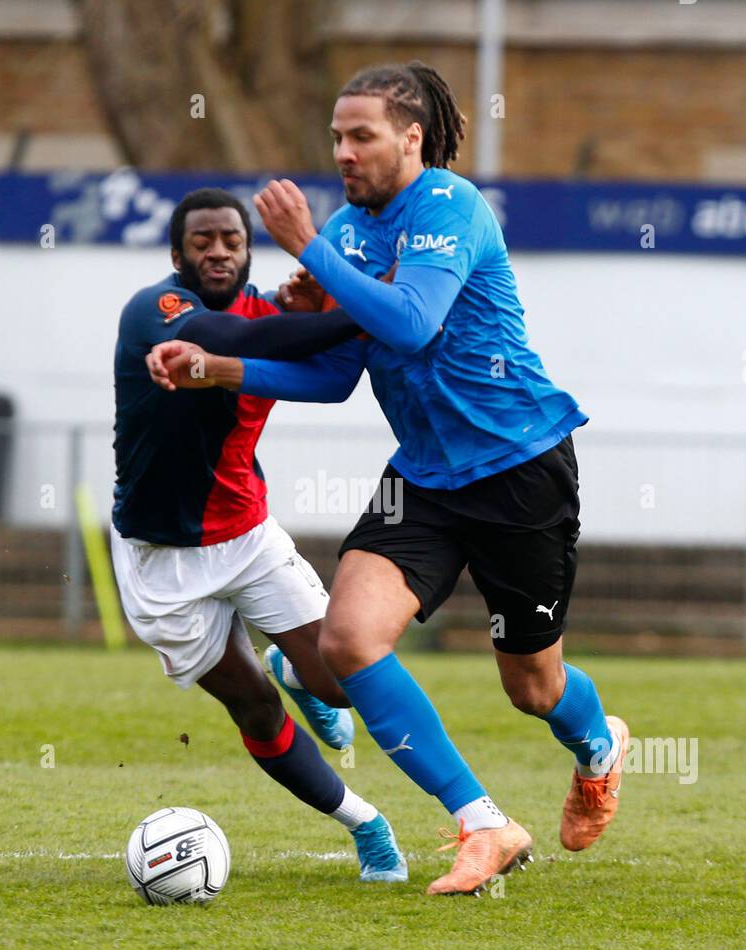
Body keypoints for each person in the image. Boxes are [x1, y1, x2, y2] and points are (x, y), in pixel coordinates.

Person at [146, 64, 631, 896]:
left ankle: (598, 749)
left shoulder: (450, 206)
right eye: (337, 136)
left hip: (518, 467)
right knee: (346, 639)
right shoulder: (351, 230)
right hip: (425, 478)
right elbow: (338, 374)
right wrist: (217, 368)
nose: (344, 152)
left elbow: (411, 321)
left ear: (411, 138)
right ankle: (484, 824)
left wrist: (311, 251)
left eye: (361, 135)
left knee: (533, 685)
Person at [113, 187, 407, 883]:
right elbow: (240, 342)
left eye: (232, 241)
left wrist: (338, 307)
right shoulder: (155, 311)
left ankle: (292, 663)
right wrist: (367, 307)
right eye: (203, 241)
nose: (218, 251)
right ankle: (367, 824)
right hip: (162, 562)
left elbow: (310, 358)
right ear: (177, 253)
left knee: (340, 688)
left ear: (250, 250)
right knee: (253, 705)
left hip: (246, 536)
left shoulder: (277, 311)